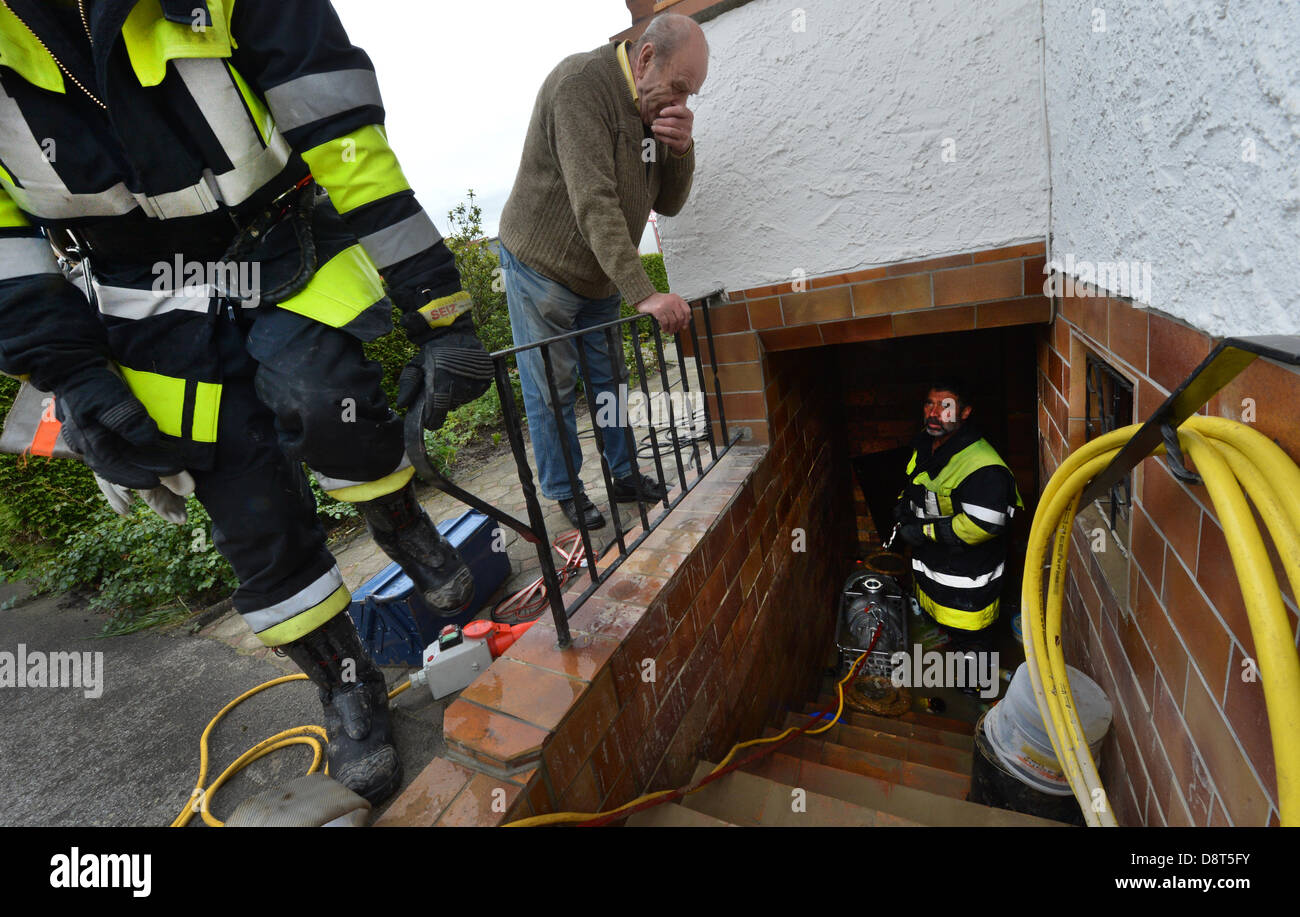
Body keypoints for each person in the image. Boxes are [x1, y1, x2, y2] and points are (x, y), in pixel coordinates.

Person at [0, 0, 494, 804]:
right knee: (249, 515)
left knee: (320, 392)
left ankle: (398, 518)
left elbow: (345, 139)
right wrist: (78, 386)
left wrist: (441, 307)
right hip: (139, 305)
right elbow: (9, 259)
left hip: (282, 242)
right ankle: (347, 684)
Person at [498, 12, 708, 530]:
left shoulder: (655, 106)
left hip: (599, 270)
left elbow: (671, 203)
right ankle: (565, 489)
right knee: (553, 385)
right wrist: (643, 292)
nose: (680, 102)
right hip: (541, 264)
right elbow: (594, 200)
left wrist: (681, 150)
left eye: (691, 95)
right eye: (678, 87)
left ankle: (622, 474)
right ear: (645, 59)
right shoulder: (580, 86)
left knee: (610, 382)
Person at [894, 379, 1022, 655]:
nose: (934, 412)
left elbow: (983, 524)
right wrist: (903, 508)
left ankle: (975, 687)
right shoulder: (926, 443)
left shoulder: (984, 466)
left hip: (967, 585)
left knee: (971, 647)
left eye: (946, 406)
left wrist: (923, 532)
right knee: (943, 634)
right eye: (930, 403)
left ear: (965, 413)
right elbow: (916, 484)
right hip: (934, 574)